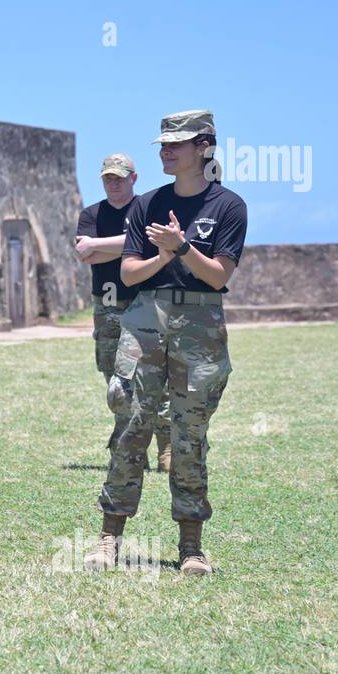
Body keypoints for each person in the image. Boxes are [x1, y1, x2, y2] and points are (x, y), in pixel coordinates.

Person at [83, 110, 246, 576]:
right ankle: (108, 538)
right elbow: (130, 272)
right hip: (145, 316)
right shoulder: (147, 204)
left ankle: (191, 546)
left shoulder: (228, 206)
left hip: (201, 322)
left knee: (189, 434)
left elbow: (218, 275)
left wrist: (181, 247)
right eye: (163, 144)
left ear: (204, 146)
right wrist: (162, 254)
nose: (166, 151)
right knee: (131, 424)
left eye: (177, 143)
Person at [76, 153, 171, 471]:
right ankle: (132, 446)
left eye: (119, 177)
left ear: (134, 177)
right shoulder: (91, 214)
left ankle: (166, 446)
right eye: (108, 178)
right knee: (115, 379)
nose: (113, 184)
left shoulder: (146, 208)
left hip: (146, 302)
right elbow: (85, 256)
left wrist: (100, 245)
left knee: (157, 376)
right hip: (108, 307)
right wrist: (124, 246)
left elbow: (145, 244)